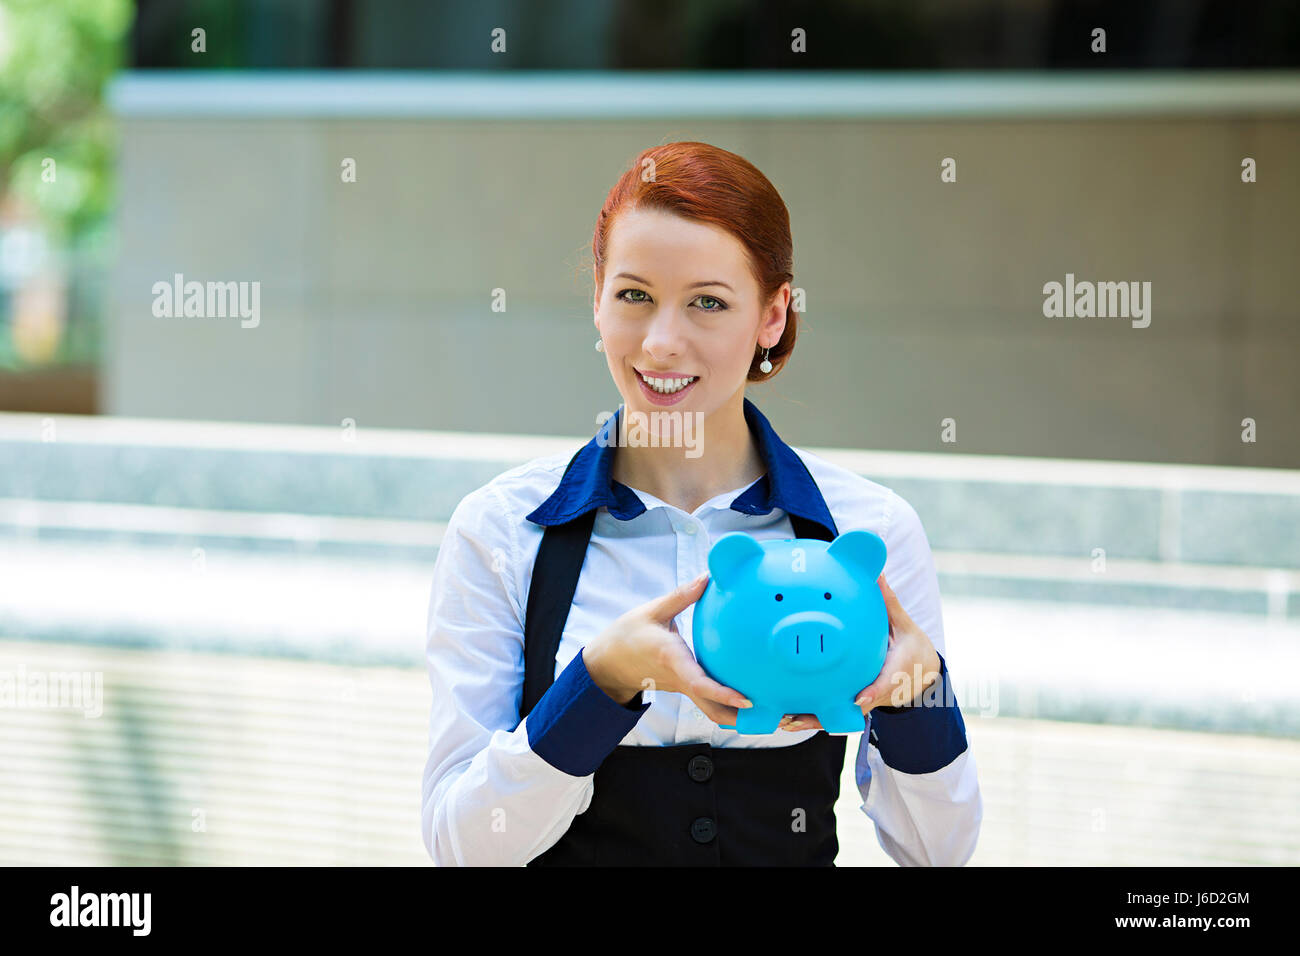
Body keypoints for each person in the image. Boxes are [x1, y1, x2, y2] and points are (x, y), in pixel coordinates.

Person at [421, 141, 981, 866]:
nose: (661, 342)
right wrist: (598, 685)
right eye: (634, 296)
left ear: (772, 317)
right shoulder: (501, 531)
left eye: (707, 303)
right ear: (597, 299)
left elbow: (940, 854)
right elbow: (461, 849)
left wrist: (917, 698)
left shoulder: (871, 532)